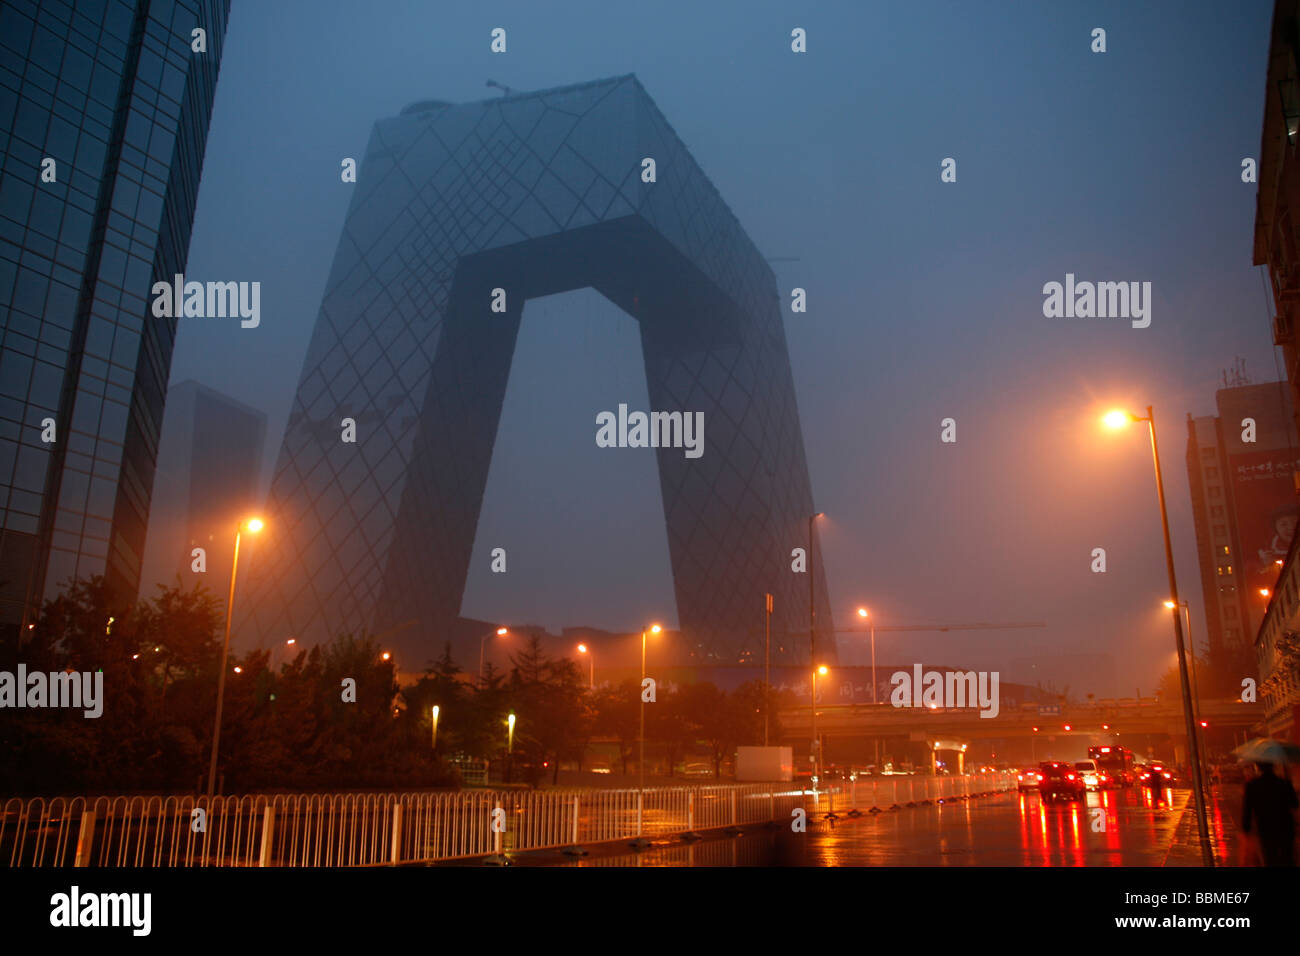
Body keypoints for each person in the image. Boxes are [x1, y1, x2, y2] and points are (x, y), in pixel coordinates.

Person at [1240, 761, 1298, 866]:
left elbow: (1247, 810)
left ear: (1258, 767)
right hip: (1285, 827)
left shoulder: (1252, 785)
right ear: (1273, 766)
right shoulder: (1284, 783)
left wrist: (1246, 830)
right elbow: (1294, 804)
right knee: (1287, 857)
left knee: (1270, 857)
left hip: (1265, 827)